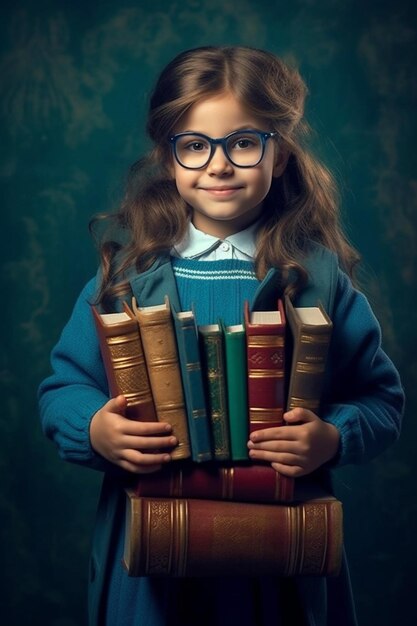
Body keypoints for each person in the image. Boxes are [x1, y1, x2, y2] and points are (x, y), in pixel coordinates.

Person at [38, 46, 404, 626]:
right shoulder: (127, 278)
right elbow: (63, 387)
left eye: (242, 142)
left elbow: (382, 399)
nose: (218, 165)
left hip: (279, 557)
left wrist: (332, 437)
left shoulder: (317, 279)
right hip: (155, 554)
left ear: (279, 153)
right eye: (194, 145)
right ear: (169, 156)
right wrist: (94, 428)